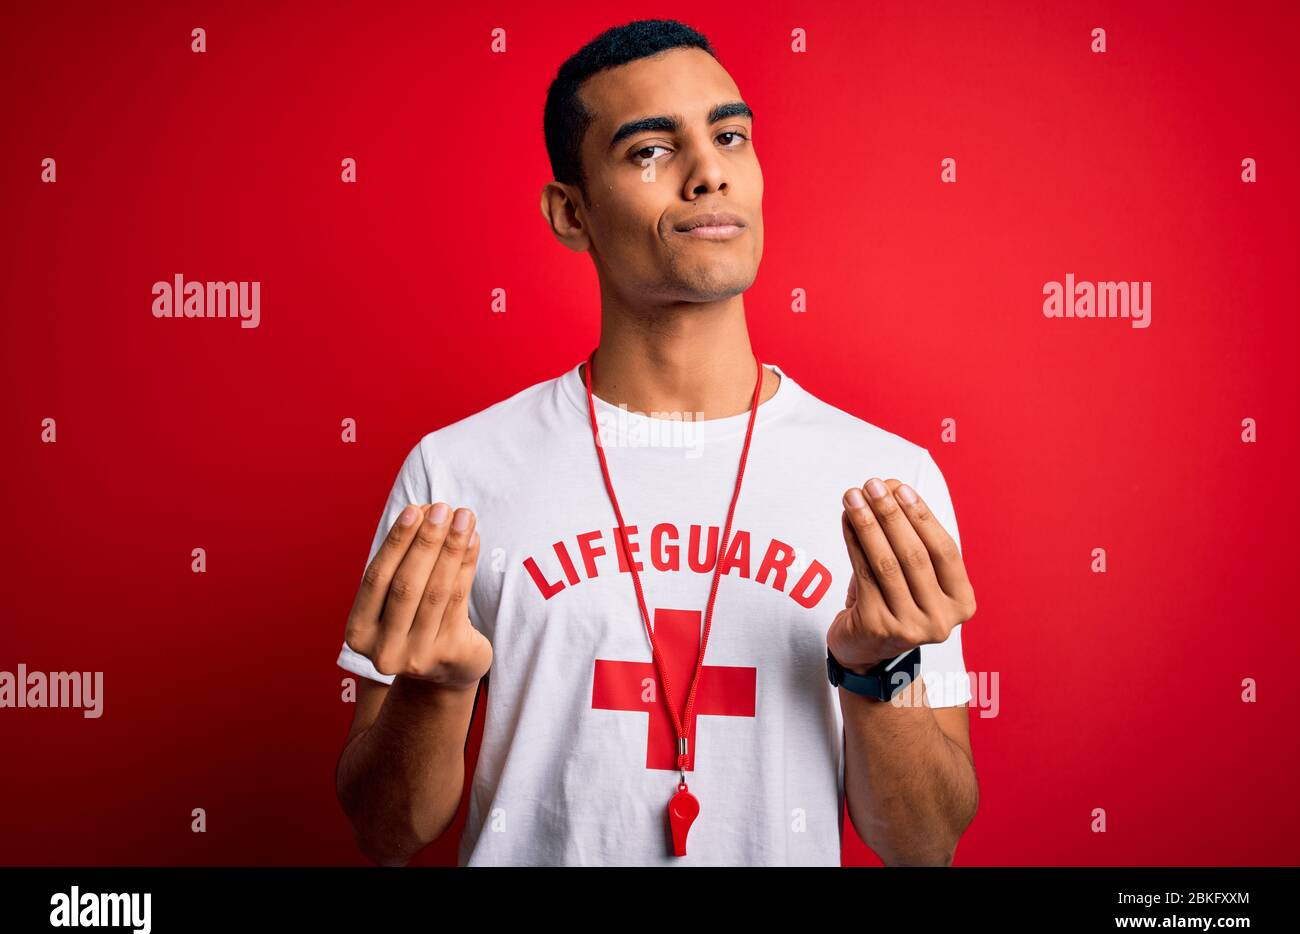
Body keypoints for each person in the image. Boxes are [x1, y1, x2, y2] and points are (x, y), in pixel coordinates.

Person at [334, 18, 979, 867]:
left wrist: (876, 669)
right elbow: (385, 833)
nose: (709, 172)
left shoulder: (885, 481)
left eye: (730, 136)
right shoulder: (456, 473)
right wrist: (437, 689)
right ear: (572, 212)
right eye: (649, 150)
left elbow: (924, 845)